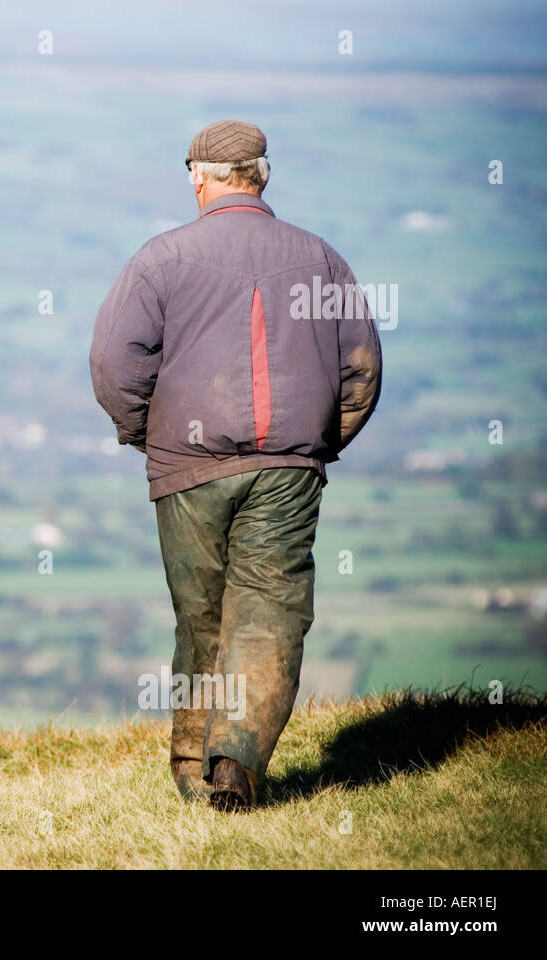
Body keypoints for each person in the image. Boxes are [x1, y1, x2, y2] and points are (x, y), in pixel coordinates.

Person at [89, 119, 382, 810]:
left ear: (198, 177)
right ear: (262, 176)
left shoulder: (160, 260)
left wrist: (145, 435)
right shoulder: (322, 260)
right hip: (288, 470)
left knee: (201, 617)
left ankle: (196, 766)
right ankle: (238, 762)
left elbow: (113, 364)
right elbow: (362, 368)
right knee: (271, 611)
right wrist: (314, 440)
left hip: (187, 469)